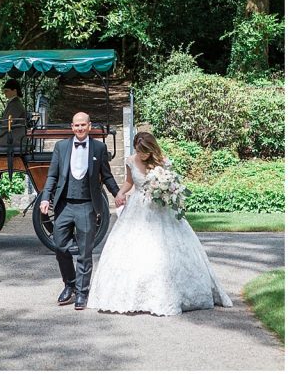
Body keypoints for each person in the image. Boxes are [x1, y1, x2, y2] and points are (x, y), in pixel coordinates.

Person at [88, 132, 233, 315]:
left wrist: (166, 190)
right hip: (138, 208)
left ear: (151, 149)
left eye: (146, 152)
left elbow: (172, 183)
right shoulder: (131, 161)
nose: (142, 155)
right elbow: (129, 182)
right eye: (140, 151)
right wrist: (120, 193)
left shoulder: (162, 161)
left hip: (160, 209)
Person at [39, 112, 121, 310]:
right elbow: (52, 176)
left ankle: (82, 293)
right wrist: (45, 198)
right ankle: (70, 284)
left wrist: (117, 194)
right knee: (60, 247)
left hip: (87, 205)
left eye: (83, 125)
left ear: (89, 126)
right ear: (72, 126)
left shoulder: (99, 148)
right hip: (64, 205)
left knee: (85, 252)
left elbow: (107, 176)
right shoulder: (62, 146)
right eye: (77, 125)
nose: (80, 128)